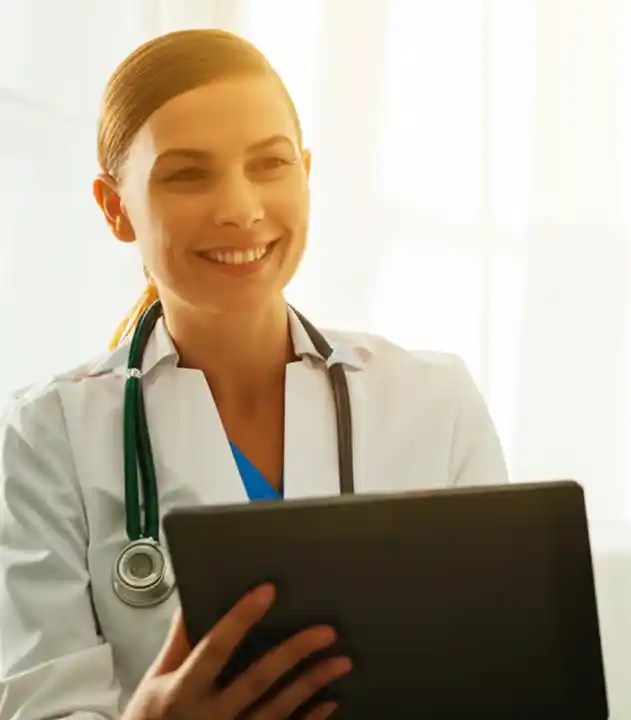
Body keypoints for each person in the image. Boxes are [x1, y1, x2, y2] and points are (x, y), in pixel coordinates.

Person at [0, 29, 508, 719]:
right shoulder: (48, 435)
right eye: (187, 174)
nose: (240, 208)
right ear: (115, 208)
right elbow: (41, 701)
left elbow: (502, 668)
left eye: (270, 164)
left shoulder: (433, 402)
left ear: (306, 170)